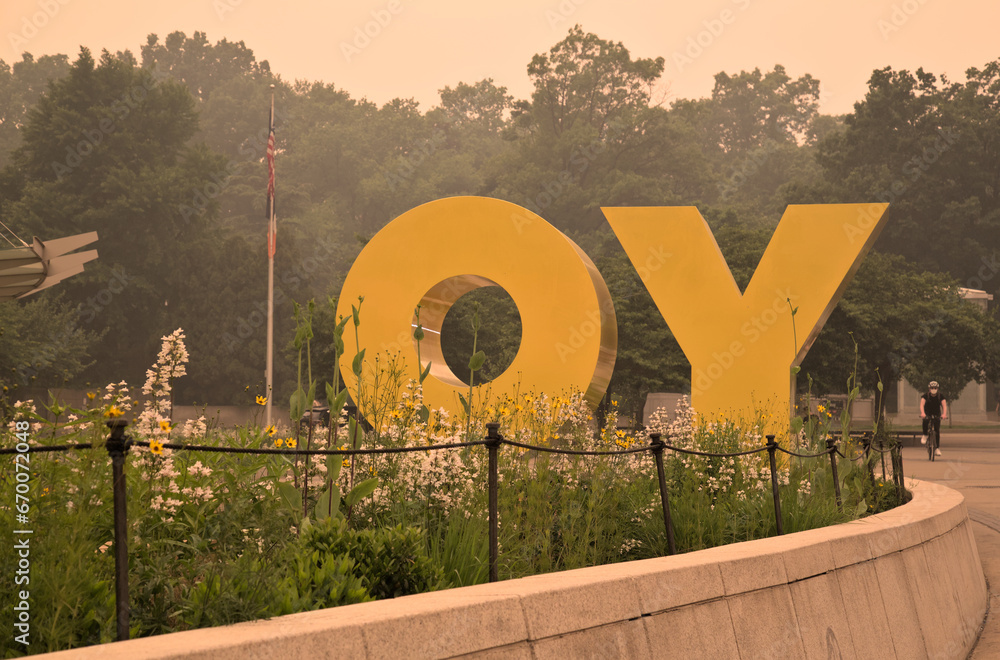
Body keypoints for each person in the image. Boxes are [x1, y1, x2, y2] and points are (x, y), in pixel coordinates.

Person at [920, 381, 948, 456]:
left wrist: (944, 414)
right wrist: (922, 413)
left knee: (937, 430)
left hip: (937, 414)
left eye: (935, 388)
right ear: (929, 389)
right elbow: (922, 404)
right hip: (927, 413)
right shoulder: (926, 396)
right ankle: (925, 435)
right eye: (932, 388)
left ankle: (937, 448)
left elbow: (944, 405)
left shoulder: (940, 396)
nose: (933, 389)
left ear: (937, 389)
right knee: (925, 421)